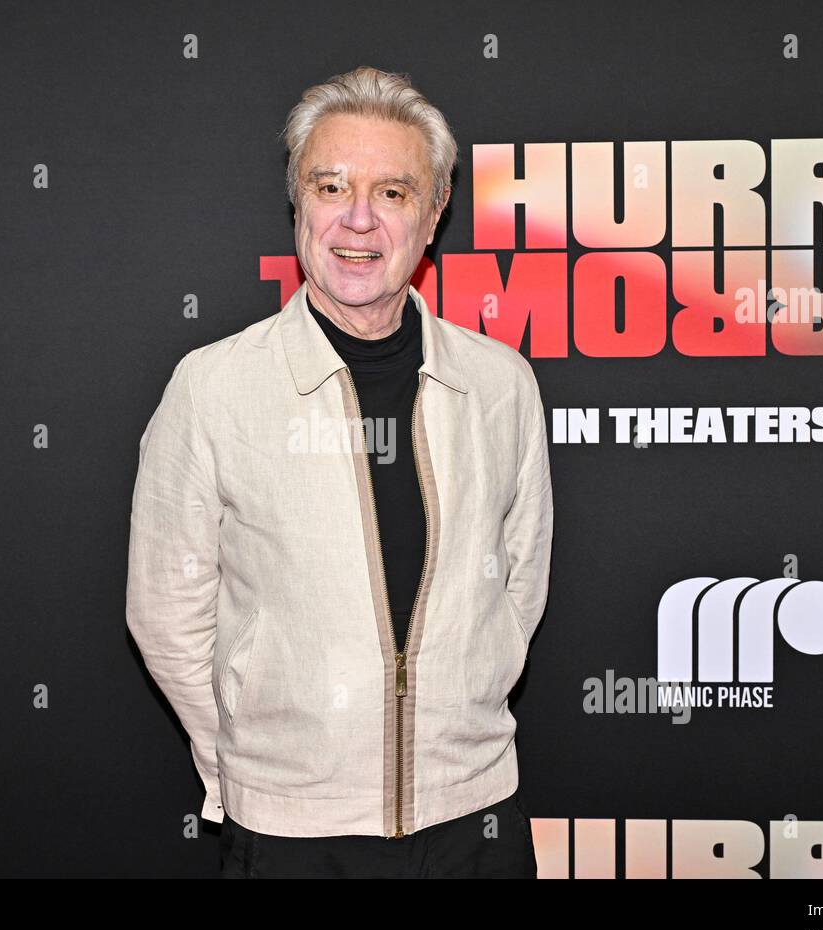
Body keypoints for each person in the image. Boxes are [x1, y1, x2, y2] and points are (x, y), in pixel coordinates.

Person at [126, 66, 552, 877]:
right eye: (331, 186)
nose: (359, 219)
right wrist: (263, 768)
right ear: (299, 206)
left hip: (474, 824)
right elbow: (165, 613)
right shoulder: (214, 387)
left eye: (393, 192)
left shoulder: (501, 386)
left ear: (435, 216)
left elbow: (518, 588)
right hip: (289, 836)